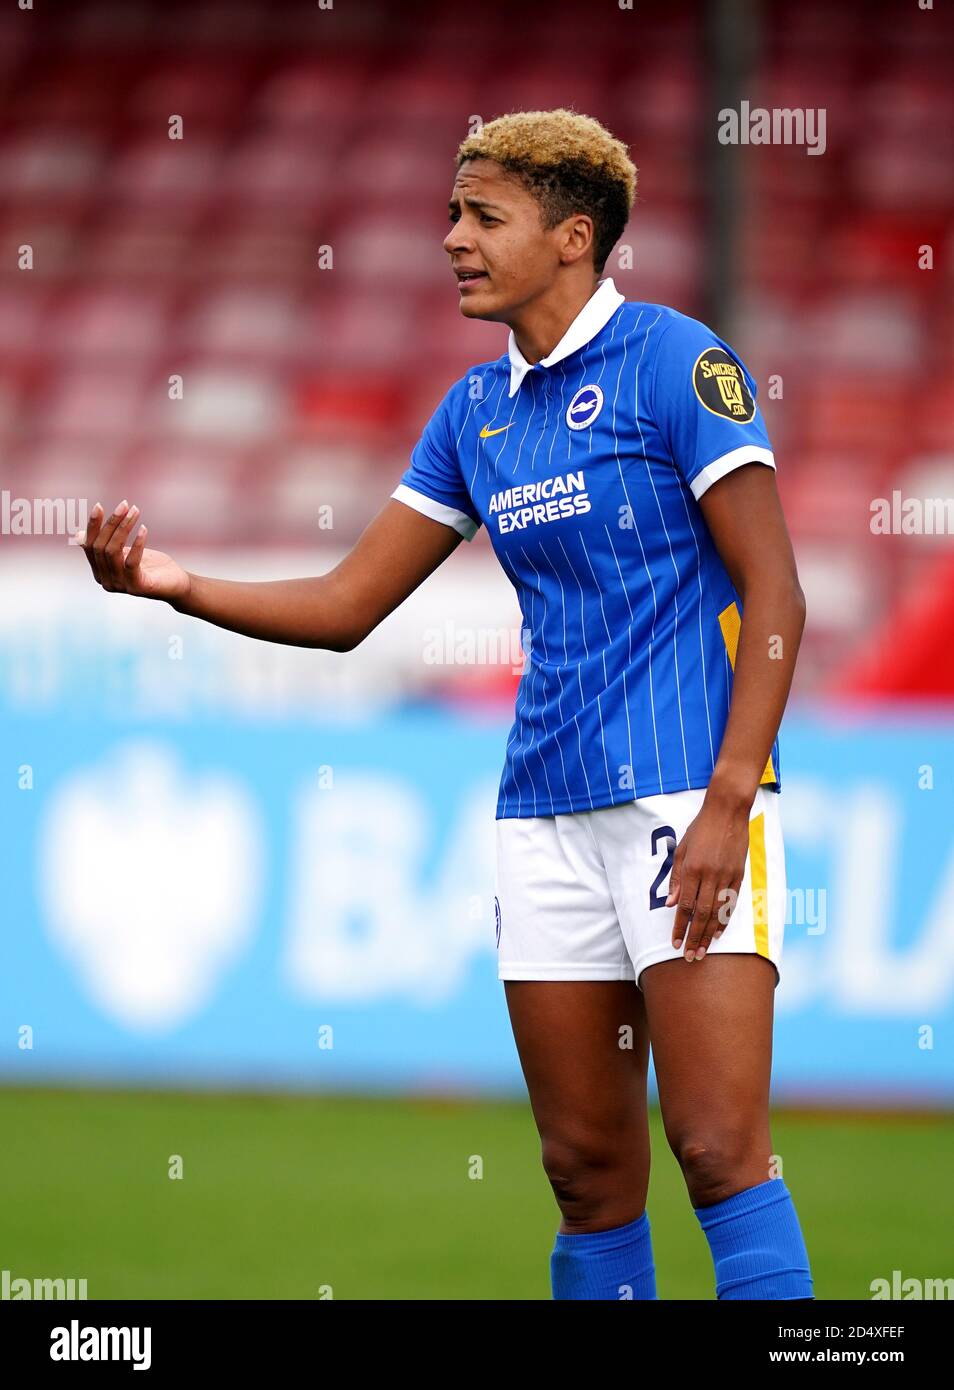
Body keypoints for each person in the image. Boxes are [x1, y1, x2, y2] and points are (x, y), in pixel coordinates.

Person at [77, 108, 812, 1301]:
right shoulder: (475, 413)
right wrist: (172, 586)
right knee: (584, 1171)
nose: (452, 238)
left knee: (719, 1150)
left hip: (690, 796)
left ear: (574, 237)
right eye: (450, 213)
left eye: (484, 215)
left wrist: (734, 795)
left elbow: (776, 586)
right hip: (542, 816)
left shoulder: (681, 364)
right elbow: (346, 604)